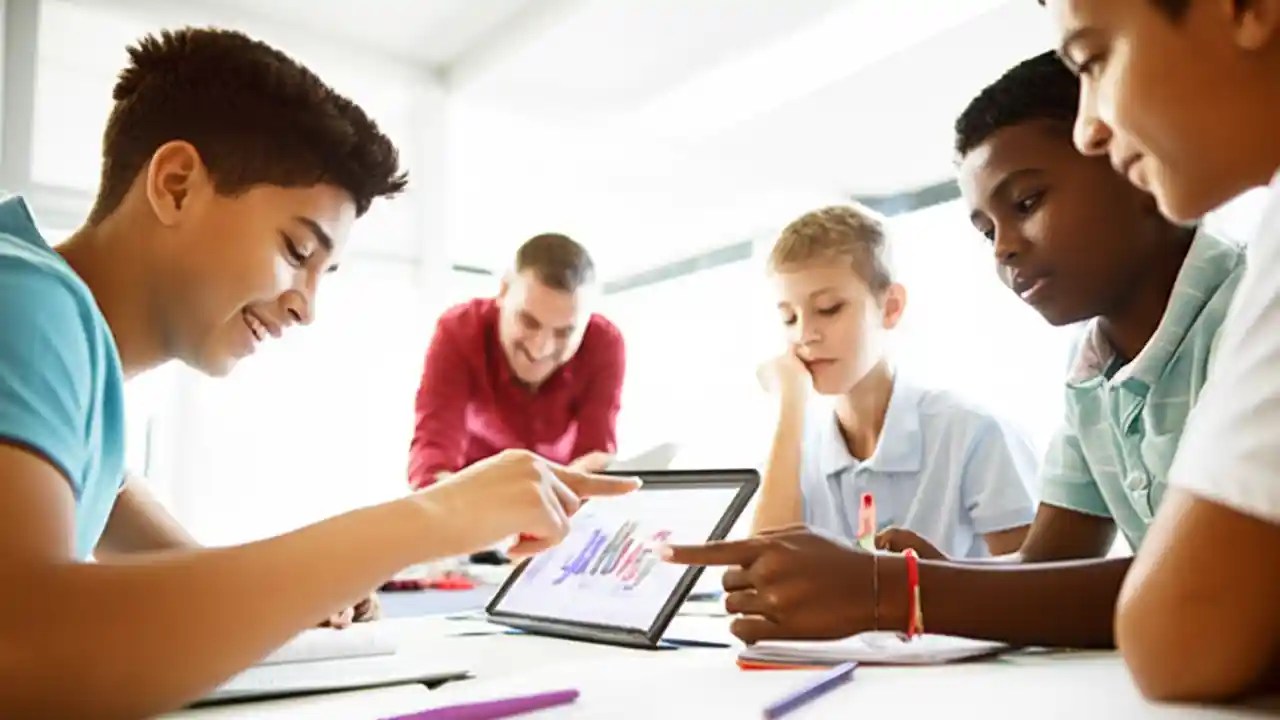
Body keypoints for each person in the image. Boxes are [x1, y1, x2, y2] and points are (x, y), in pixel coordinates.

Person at [0, 28, 638, 718]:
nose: (306, 306)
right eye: (296, 248)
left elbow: (177, 574)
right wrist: (434, 515)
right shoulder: (27, 299)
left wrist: (303, 597)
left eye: (323, 272)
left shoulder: (87, 392)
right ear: (177, 185)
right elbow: (27, 645)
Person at [663, 50, 1242, 653]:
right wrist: (936, 577)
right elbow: (1045, 564)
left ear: (1133, 162)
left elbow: (1215, 586)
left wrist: (898, 590)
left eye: (1025, 204)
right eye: (987, 230)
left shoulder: (1253, 314)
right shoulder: (1092, 370)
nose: (1004, 249)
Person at [1042, 0, 1280, 702]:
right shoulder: (1087, 369)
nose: (1088, 127)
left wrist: (896, 593)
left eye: (1095, 60)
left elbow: (1181, 634)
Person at [752, 204, 1036, 559]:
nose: (805, 335)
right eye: (788, 317)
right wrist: (790, 404)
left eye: (828, 309)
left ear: (890, 308)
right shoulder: (797, 448)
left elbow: (1030, 591)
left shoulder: (973, 433)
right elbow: (765, 575)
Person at [408, 233, 626, 490]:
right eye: (528, 321)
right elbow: (434, 453)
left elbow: (595, 458)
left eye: (564, 333)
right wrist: (448, 505)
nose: (540, 348)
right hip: (472, 495)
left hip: (560, 497)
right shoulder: (459, 330)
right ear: (503, 292)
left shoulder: (604, 343)